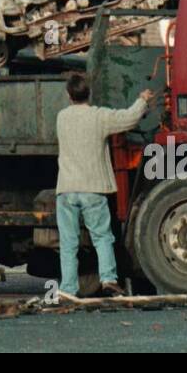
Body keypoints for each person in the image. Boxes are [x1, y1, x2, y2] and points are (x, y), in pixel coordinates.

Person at [55, 71, 154, 301]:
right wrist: (143, 100)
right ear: (89, 94)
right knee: (102, 237)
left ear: (69, 95)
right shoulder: (99, 117)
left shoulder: (61, 117)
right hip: (93, 188)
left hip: (66, 189)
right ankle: (108, 279)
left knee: (68, 242)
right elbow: (128, 118)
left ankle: (68, 289)